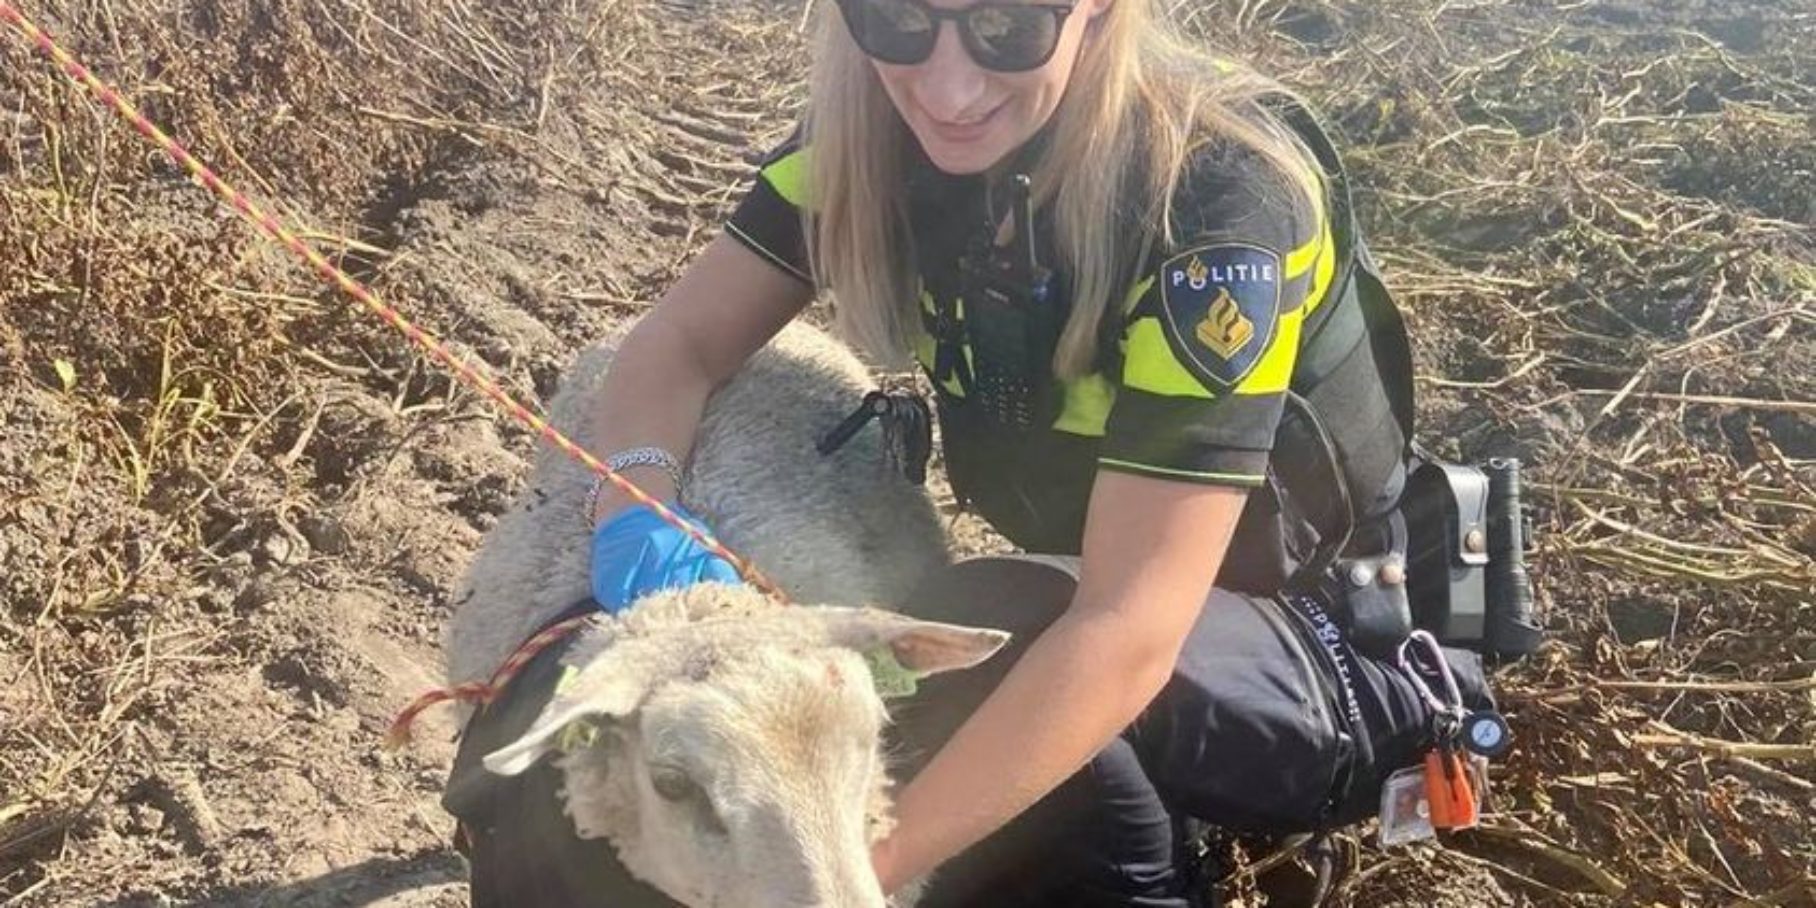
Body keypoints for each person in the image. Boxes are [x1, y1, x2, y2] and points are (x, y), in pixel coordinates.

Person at [449, 0, 1505, 903]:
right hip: (1091, 583)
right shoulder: (869, 142)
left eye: (1006, 26)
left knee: (992, 674)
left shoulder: (1218, 208)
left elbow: (1125, 631)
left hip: (1338, 634)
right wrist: (638, 511)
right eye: (899, 19)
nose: (947, 88)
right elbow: (677, 345)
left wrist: (847, 879)